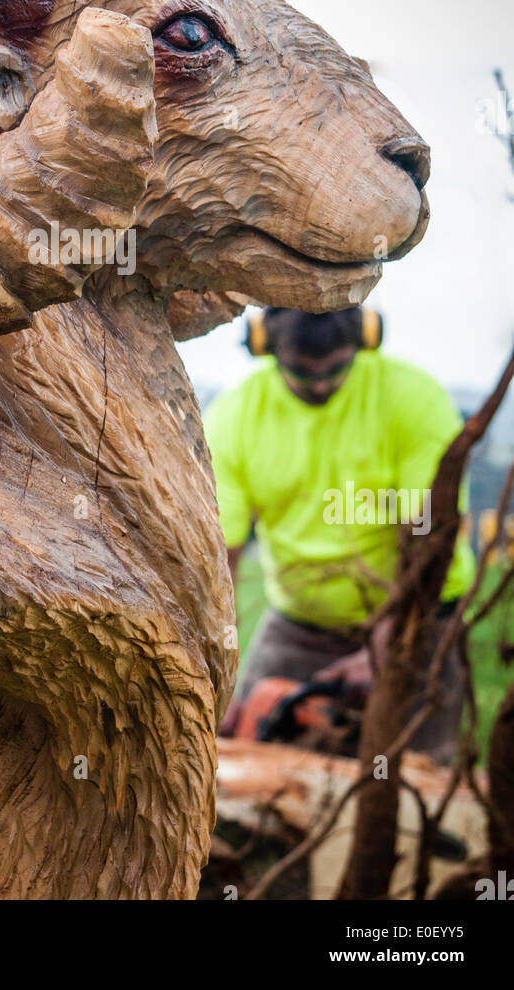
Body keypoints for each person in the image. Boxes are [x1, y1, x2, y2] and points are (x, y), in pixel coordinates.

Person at [204, 307, 474, 763]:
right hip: (300, 627)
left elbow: (430, 538)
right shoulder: (234, 417)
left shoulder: (413, 399)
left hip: (420, 618)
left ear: (365, 341)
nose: (323, 384)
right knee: (235, 750)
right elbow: (219, 563)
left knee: (415, 778)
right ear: (267, 349)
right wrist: (216, 680)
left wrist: (388, 647)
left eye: (337, 369)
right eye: (303, 374)